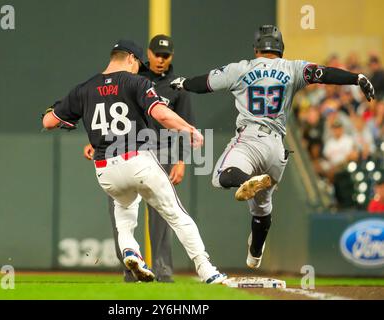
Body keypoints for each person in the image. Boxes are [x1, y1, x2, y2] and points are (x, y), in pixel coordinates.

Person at [170, 25, 375, 269]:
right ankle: (255, 253)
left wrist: (183, 83)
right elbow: (324, 73)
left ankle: (247, 180)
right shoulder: (293, 68)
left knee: (221, 176)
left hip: (250, 139)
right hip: (277, 149)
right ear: (280, 48)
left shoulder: (241, 68)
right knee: (262, 207)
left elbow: (205, 83)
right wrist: (356, 78)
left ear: (256, 48)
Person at [42, 39, 226, 284]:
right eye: (138, 64)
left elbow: (49, 122)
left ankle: (131, 252)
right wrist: (189, 129)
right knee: (177, 215)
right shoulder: (137, 82)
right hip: (137, 161)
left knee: (124, 219)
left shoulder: (83, 89)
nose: (139, 68)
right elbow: (160, 113)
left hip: (105, 170)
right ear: (131, 58)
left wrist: (56, 112)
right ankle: (206, 269)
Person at [83, 35, 194, 283]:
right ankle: (130, 270)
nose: (161, 59)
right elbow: (112, 113)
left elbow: (186, 124)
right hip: (126, 150)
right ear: (149, 54)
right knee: (119, 212)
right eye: (157, 54)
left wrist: (181, 161)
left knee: (163, 215)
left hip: (161, 153)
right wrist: (95, 141)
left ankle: (163, 271)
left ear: (171, 57)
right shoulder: (133, 79)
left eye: (166, 55)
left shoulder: (177, 86)